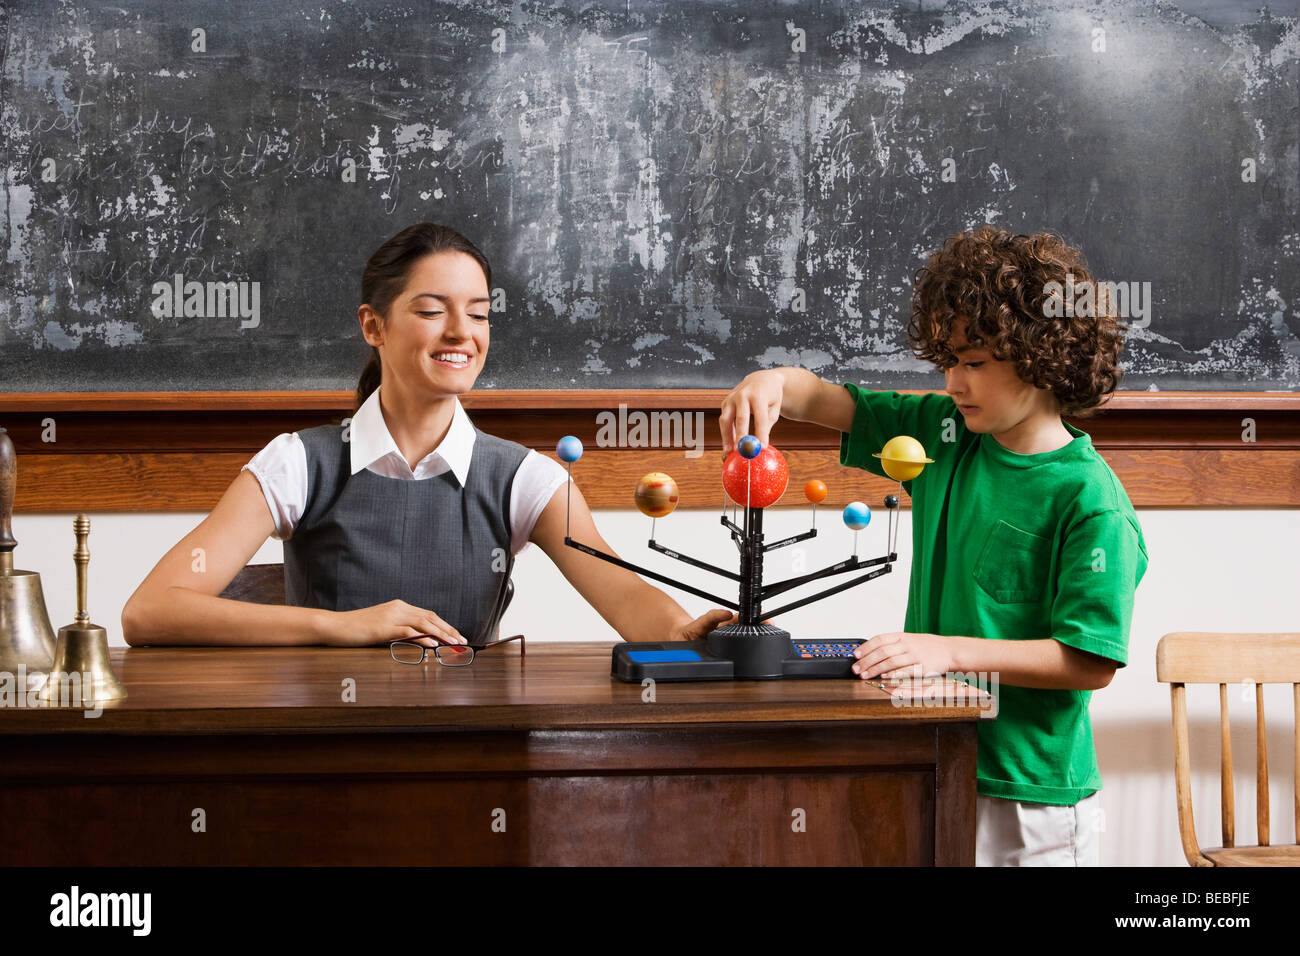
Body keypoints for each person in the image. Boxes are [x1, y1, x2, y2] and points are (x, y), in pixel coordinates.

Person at [719, 226, 1149, 866]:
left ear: (1040, 355)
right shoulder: (944, 436)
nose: (952, 381)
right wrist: (773, 379)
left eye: (973, 362)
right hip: (934, 762)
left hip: (1031, 799)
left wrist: (944, 651)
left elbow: (1088, 660)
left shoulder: (1092, 503)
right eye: (946, 361)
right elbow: (836, 405)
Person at [122, 222, 732, 649]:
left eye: (479, 313)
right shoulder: (298, 464)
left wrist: (686, 632)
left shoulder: (526, 479)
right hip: (320, 748)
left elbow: (627, 599)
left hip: (471, 753)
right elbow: (150, 611)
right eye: (432, 310)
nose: (461, 333)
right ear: (374, 325)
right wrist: (340, 626)